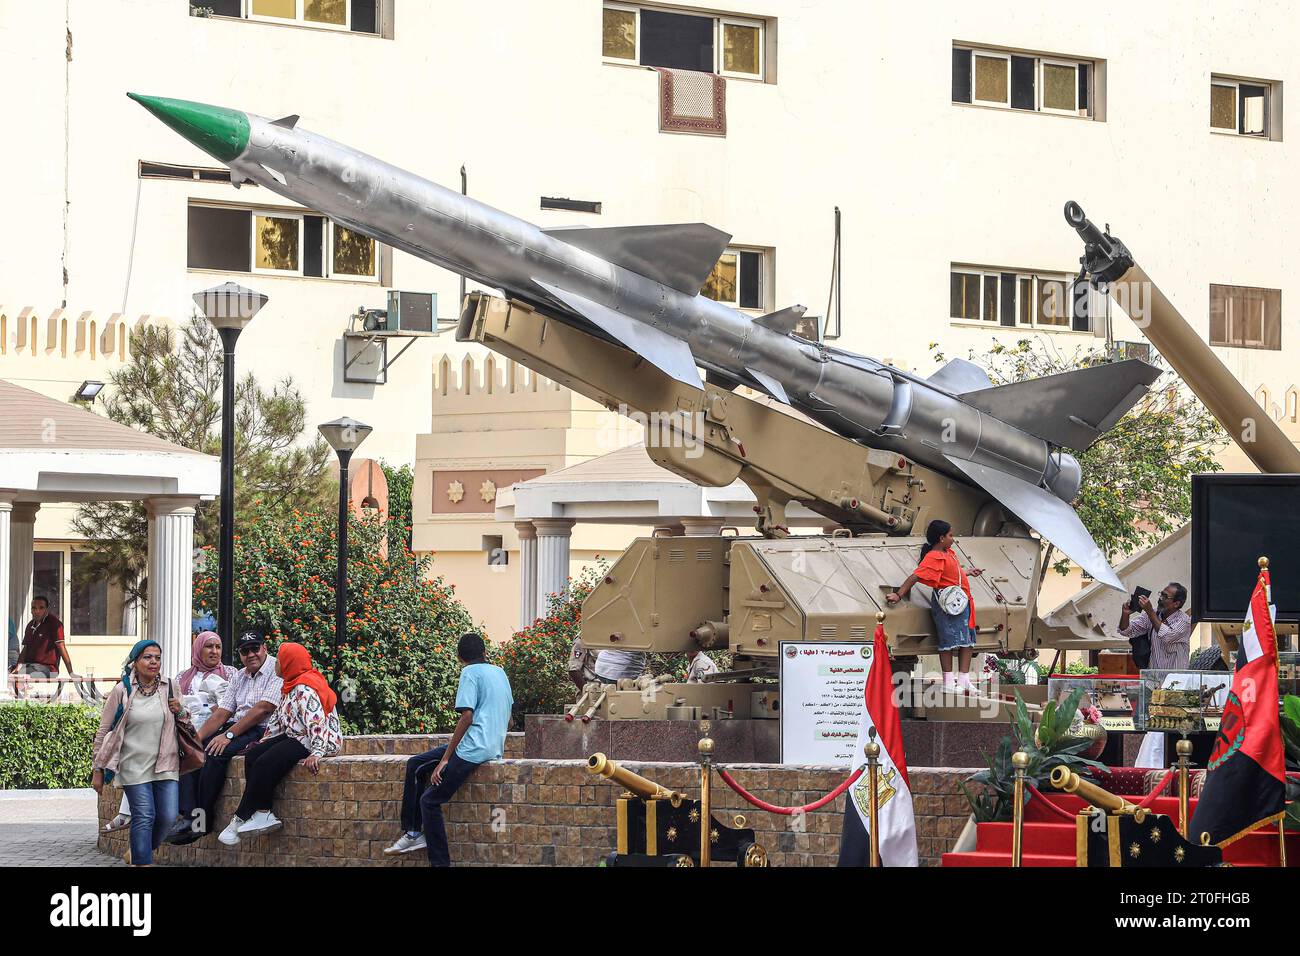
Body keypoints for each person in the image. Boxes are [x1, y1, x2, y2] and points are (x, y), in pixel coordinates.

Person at [383, 632, 512, 865]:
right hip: (491, 747)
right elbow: (509, 720)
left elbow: (467, 717)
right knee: (415, 765)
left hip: (472, 750)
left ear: (460, 658)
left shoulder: (469, 673)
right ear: (485, 653)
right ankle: (412, 832)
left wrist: (445, 760)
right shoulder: (500, 673)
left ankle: (438, 860)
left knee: (429, 801)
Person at [104, 631, 236, 835]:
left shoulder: (230, 673)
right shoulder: (183, 676)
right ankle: (130, 811)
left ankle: (187, 818)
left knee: (181, 754)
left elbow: (228, 708)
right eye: (209, 647)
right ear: (198, 649)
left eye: (218, 647)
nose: (214, 651)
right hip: (183, 726)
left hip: (210, 729)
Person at [218, 642, 341, 845]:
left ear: (289, 663)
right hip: (298, 735)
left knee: (265, 763)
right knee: (254, 756)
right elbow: (278, 721)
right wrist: (264, 743)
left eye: (280, 659)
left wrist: (318, 752)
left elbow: (316, 721)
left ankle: (244, 816)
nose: (276, 663)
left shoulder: (304, 687)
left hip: (313, 739)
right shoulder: (290, 686)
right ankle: (260, 811)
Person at [167, 628, 281, 843]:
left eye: (255, 648)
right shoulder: (240, 675)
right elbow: (222, 713)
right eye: (245, 651)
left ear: (264, 648)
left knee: (215, 755)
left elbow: (262, 709)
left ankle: (203, 822)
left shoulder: (275, 670)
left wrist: (227, 736)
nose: (251, 655)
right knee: (193, 751)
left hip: (261, 728)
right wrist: (195, 740)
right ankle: (190, 817)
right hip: (236, 725)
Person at [91, 640, 191, 866]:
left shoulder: (171, 686)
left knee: (167, 817)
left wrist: (181, 709)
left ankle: (138, 851)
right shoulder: (123, 689)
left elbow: (185, 722)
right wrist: (97, 768)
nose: (153, 662)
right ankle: (142, 861)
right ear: (135, 661)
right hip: (132, 765)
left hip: (166, 763)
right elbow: (104, 731)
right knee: (145, 815)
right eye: (147, 657)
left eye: (157, 657)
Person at [885, 519, 984, 691]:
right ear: (941, 538)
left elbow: (953, 573)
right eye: (950, 535)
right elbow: (915, 576)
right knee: (948, 641)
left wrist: (967, 572)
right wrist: (898, 594)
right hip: (947, 605)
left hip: (962, 603)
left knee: (967, 641)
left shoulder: (949, 553)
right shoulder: (934, 556)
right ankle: (947, 681)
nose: (953, 539)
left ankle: (963, 679)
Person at [1119, 582, 1191, 671]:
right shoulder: (1152, 614)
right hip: (1153, 679)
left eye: (1165, 596)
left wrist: (1150, 612)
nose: (1160, 598)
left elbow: (1167, 636)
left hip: (1175, 680)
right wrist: (1125, 614)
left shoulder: (1184, 621)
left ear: (1176, 604)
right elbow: (1126, 631)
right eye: (1161, 594)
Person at [13, 596, 73, 693]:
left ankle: (23, 695)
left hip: (48, 669)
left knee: (22, 674)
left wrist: (71, 673)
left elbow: (62, 648)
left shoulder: (55, 624)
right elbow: (25, 648)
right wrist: (18, 666)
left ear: (47, 609)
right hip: (29, 666)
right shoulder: (30, 625)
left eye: (41, 608)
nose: (37, 611)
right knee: (7, 672)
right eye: (34, 608)